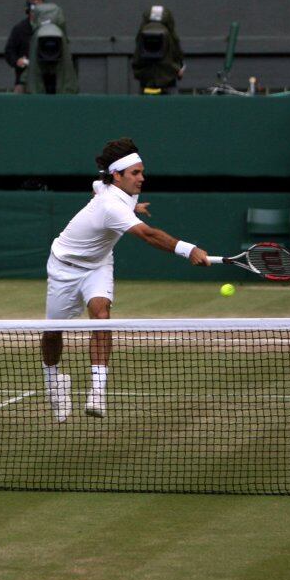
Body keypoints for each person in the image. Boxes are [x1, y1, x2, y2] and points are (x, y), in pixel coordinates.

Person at [42, 138, 210, 421]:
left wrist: (133, 208)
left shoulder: (115, 190)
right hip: (63, 268)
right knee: (52, 333)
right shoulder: (111, 205)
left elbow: (98, 186)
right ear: (117, 175)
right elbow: (148, 235)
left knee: (101, 314)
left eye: (142, 172)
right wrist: (189, 249)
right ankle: (53, 381)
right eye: (135, 173)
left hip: (98, 266)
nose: (142, 178)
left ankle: (97, 390)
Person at [4, 0, 45, 93]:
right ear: (28, 10)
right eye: (35, 8)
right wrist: (17, 61)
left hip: (46, 79)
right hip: (24, 78)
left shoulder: (50, 29)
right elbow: (9, 51)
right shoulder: (20, 29)